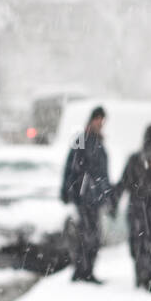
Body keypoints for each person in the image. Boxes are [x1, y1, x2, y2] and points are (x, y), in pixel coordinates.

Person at [113, 124, 151, 292]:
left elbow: (123, 183)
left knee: (140, 245)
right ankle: (147, 276)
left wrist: (113, 200)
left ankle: (142, 275)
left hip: (139, 210)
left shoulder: (136, 159)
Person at [60, 106, 112, 284]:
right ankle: (82, 270)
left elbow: (102, 173)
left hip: (93, 196)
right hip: (84, 196)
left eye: (102, 121)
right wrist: (70, 190)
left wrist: (106, 193)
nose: (101, 124)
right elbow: (72, 167)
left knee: (93, 236)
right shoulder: (83, 140)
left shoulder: (98, 142)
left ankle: (87, 269)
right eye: (99, 120)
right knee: (86, 235)